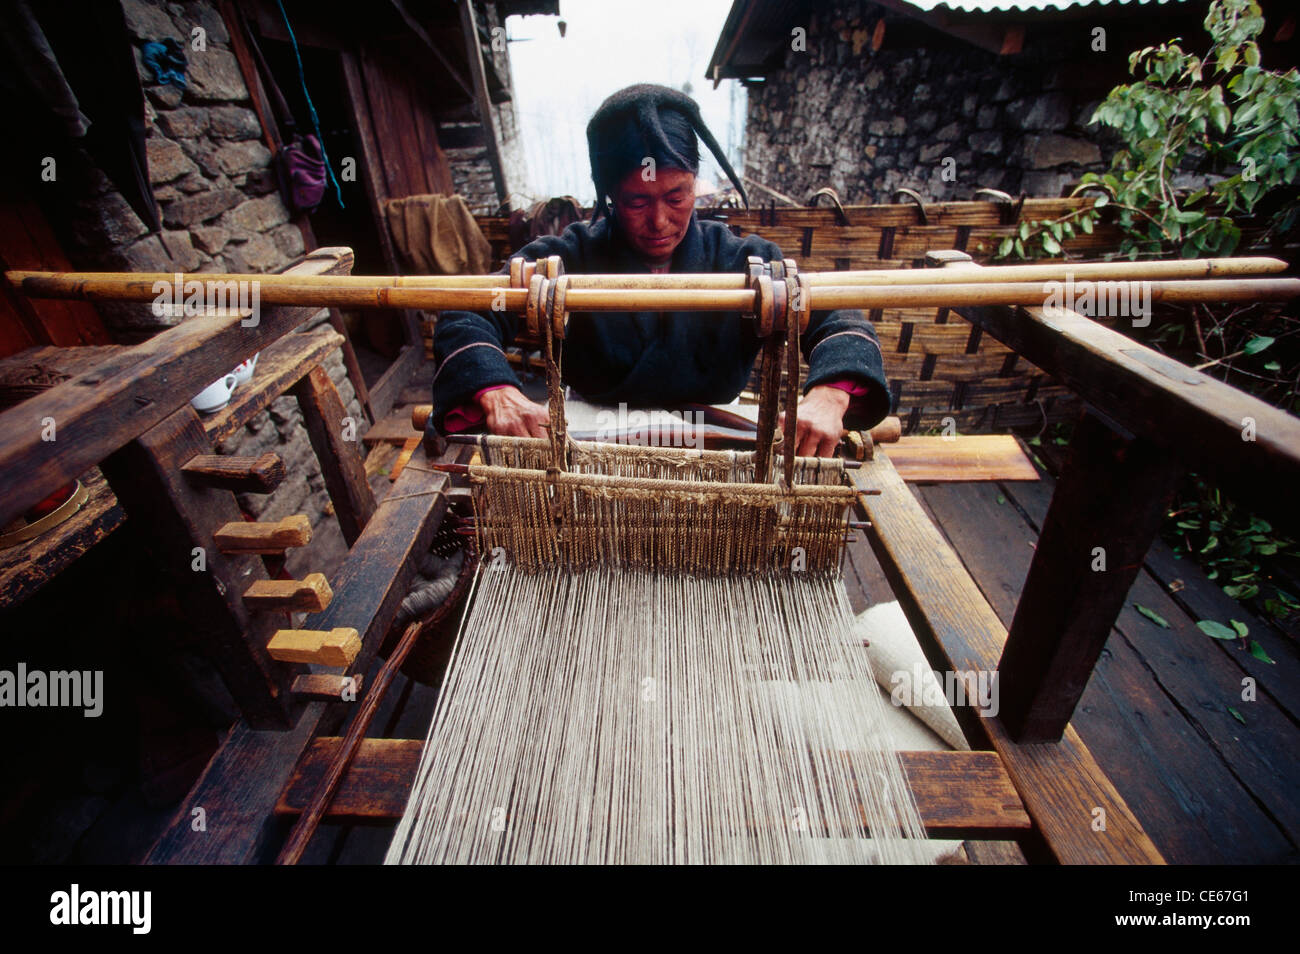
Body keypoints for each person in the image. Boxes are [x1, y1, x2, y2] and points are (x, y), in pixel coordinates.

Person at [430, 84, 889, 458]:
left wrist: (830, 393)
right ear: (609, 195)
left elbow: (837, 314)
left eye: (677, 196)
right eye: (636, 202)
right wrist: (495, 389)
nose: (660, 222)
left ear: (695, 185)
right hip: (587, 449)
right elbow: (468, 310)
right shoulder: (567, 259)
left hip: (724, 448)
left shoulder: (741, 262)